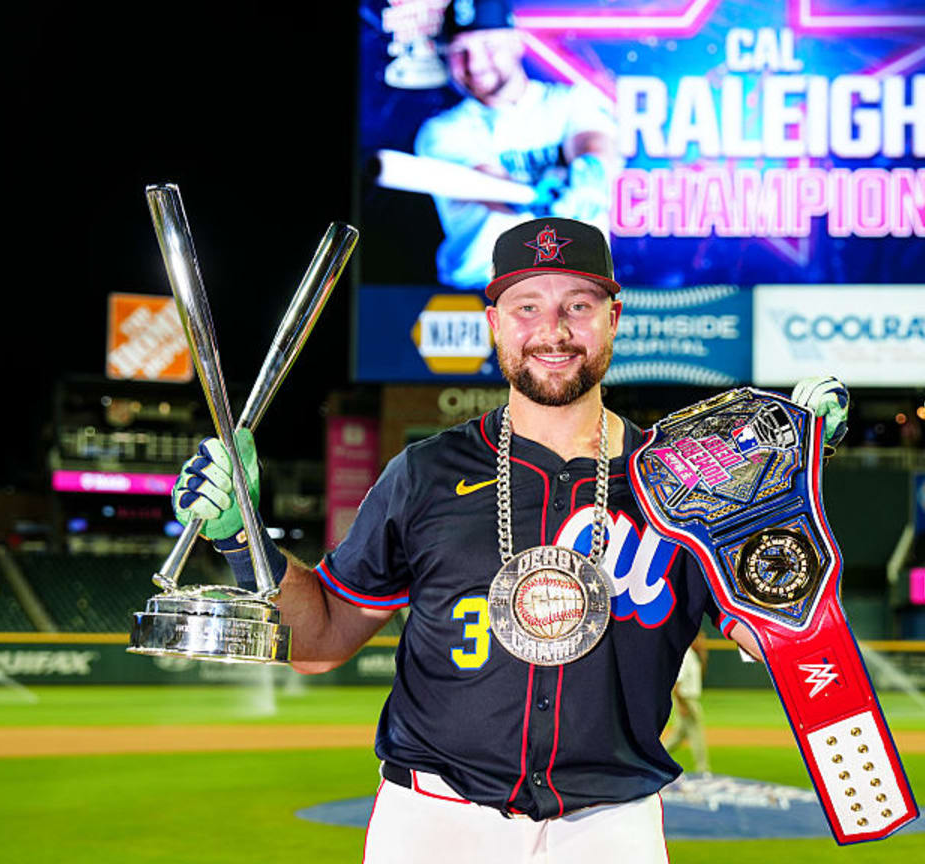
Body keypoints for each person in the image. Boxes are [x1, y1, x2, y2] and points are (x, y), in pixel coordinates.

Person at [170, 216, 850, 862]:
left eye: (578, 305)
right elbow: (319, 643)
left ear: (614, 318)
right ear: (494, 323)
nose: (553, 330)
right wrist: (243, 537)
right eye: (527, 307)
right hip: (434, 822)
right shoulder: (425, 473)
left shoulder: (687, 483)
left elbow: (777, 638)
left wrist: (782, 497)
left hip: (612, 828)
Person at [415, 0, 618, 290]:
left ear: (517, 43)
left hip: (577, 288)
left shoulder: (573, 101)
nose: (475, 64)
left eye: (488, 45)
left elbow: (594, 141)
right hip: (481, 292)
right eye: (460, 50)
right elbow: (488, 183)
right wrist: (532, 195)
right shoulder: (442, 131)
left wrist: (590, 172)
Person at [663, 631, 710, 775]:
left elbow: (700, 677)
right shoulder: (686, 655)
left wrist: (703, 657)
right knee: (697, 735)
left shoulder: (693, 655)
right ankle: (703, 770)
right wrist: (682, 705)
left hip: (688, 699)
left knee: (678, 736)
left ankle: (654, 758)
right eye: (700, 639)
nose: (702, 643)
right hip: (686, 699)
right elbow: (676, 684)